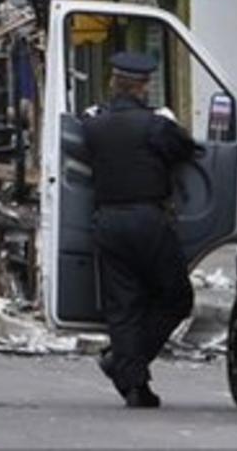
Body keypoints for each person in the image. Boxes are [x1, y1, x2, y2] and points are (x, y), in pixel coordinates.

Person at [82, 52, 198, 408]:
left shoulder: (94, 124)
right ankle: (122, 363)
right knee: (176, 297)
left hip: (107, 222)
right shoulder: (155, 125)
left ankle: (135, 385)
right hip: (148, 220)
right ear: (143, 87)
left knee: (124, 306)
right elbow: (188, 151)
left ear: (114, 84)